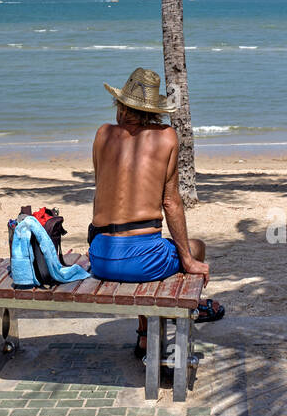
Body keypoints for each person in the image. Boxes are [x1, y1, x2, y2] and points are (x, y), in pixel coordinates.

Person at [89, 67, 224, 359]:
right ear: (152, 111)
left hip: (100, 255)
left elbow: (101, 191)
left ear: (122, 106)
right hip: (140, 260)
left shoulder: (102, 134)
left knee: (149, 259)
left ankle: (144, 335)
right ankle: (186, 312)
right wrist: (188, 260)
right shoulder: (166, 137)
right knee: (196, 248)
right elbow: (171, 202)